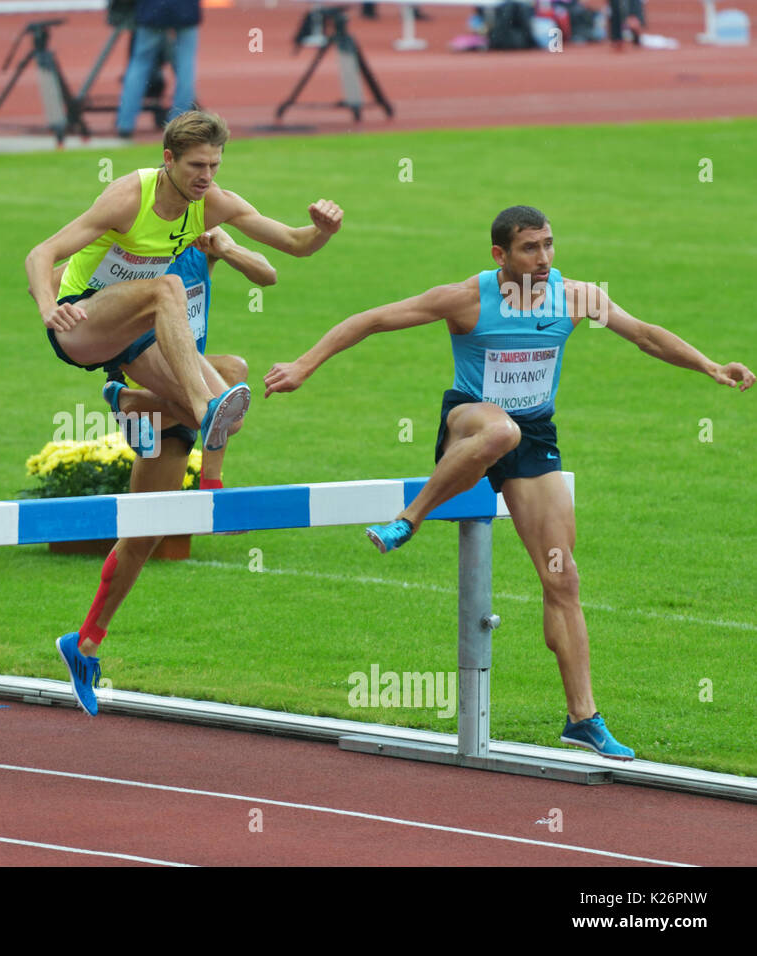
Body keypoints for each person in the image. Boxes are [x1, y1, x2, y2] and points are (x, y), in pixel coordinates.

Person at [263, 205, 755, 760]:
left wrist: (710, 365)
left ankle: (583, 718)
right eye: (530, 249)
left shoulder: (577, 296)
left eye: (548, 245)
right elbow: (372, 319)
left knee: (562, 578)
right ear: (500, 255)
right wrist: (304, 365)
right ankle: (410, 519)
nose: (543, 258)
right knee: (500, 431)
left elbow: (644, 335)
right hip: (471, 424)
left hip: (534, 436)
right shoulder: (467, 299)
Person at [26, 110, 342, 465]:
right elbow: (41, 253)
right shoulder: (129, 197)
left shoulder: (212, 203)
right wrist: (49, 308)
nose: (206, 176)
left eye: (214, 165)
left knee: (231, 420)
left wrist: (323, 231)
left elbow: (295, 243)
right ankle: (199, 404)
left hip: (137, 331)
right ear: (168, 159)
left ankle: (129, 402)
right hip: (82, 321)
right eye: (196, 165)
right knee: (167, 289)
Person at [54, 229, 277, 715]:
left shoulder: (201, 244)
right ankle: (198, 468)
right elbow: (54, 277)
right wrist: (56, 305)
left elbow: (269, 274)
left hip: (187, 391)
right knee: (233, 377)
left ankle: (85, 641)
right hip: (154, 372)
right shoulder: (131, 249)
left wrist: (228, 248)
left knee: (144, 535)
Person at [116, 0, 199, 139]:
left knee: (140, 63)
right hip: (185, 8)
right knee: (186, 63)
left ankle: (125, 122)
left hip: (152, 8)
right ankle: (180, 122)